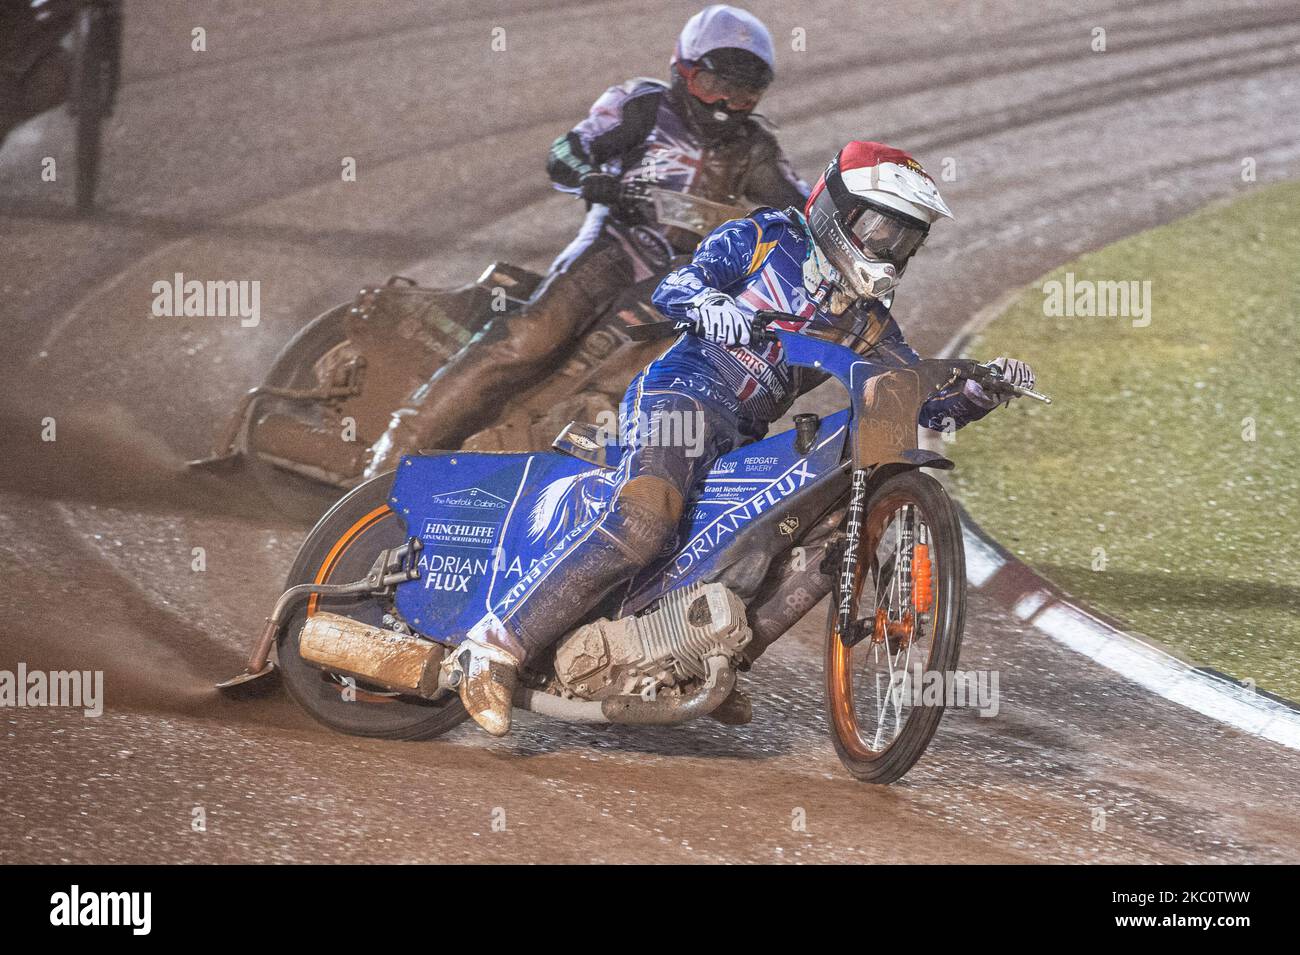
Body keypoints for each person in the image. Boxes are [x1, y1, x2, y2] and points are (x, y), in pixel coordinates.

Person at [452, 140, 1037, 736]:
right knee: (648, 519)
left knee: (816, 543)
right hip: (682, 396)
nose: (891, 248)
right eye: (882, 228)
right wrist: (709, 304)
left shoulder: (868, 320)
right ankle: (494, 646)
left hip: (743, 435)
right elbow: (678, 286)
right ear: (837, 210)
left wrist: (982, 391)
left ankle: (704, 661)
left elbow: (925, 402)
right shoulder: (766, 237)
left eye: (905, 238)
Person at [363, 5, 808, 477]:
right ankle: (392, 452)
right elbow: (565, 151)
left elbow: (803, 207)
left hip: (674, 278)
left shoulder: (755, 147)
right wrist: (591, 178)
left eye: (742, 94)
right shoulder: (643, 105)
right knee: (532, 338)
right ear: (682, 70)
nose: (723, 103)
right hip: (615, 241)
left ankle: (534, 458)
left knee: (641, 375)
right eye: (712, 84)